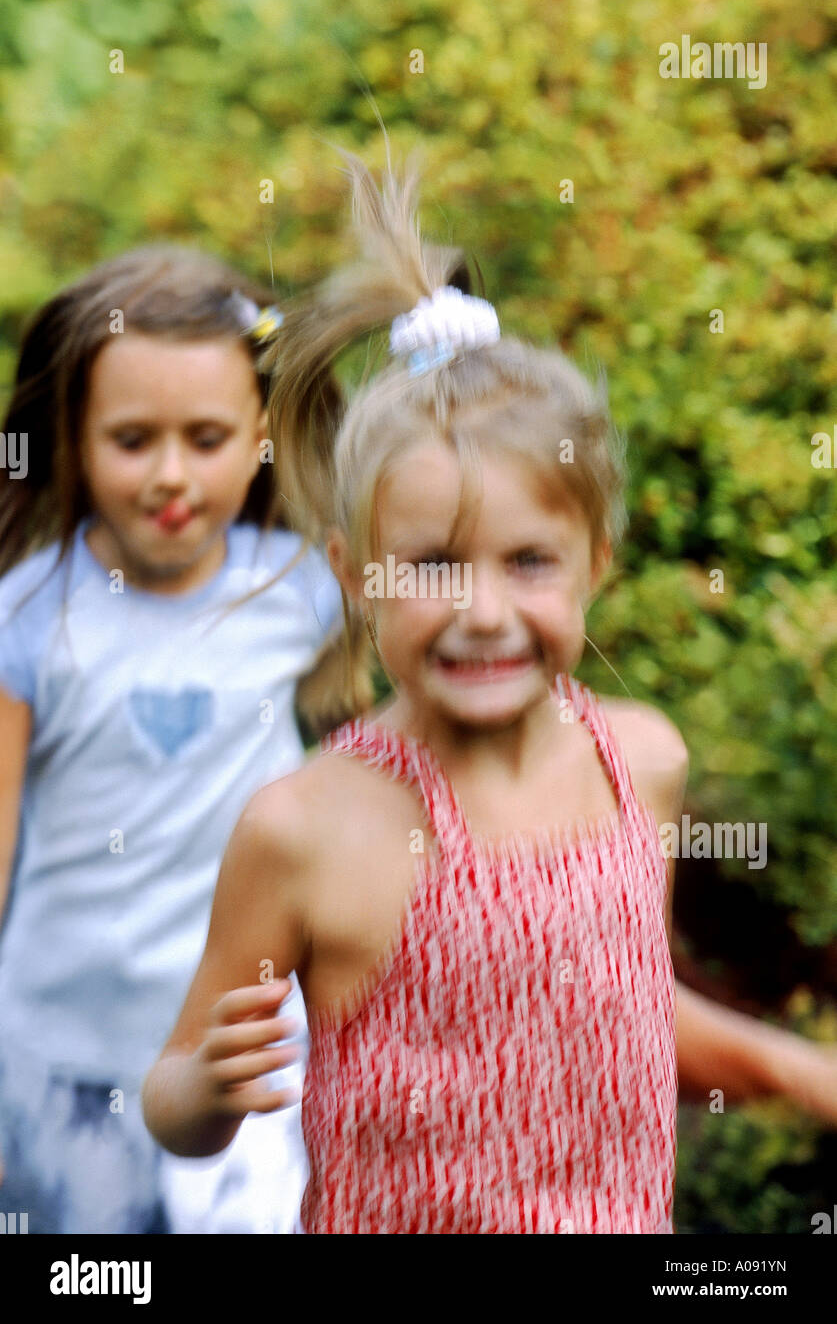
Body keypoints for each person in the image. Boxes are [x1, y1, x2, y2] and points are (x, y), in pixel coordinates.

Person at [142, 157, 688, 1234]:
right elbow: (171, 1095)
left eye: (529, 560)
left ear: (599, 563)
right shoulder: (306, 826)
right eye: (433, 564)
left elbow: (629, 1017)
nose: (482, 610)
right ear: (355, 574)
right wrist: (205, 1090)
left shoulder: (644, 767)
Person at [0, 245, 371, 1234]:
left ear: (261, 432)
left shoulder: (298, 585)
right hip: (68, 1051)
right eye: (131, 439)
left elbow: (438, 587)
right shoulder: (29, 618)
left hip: (244, 1046)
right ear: (74, 436)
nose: (172, 475)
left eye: (207, 438)